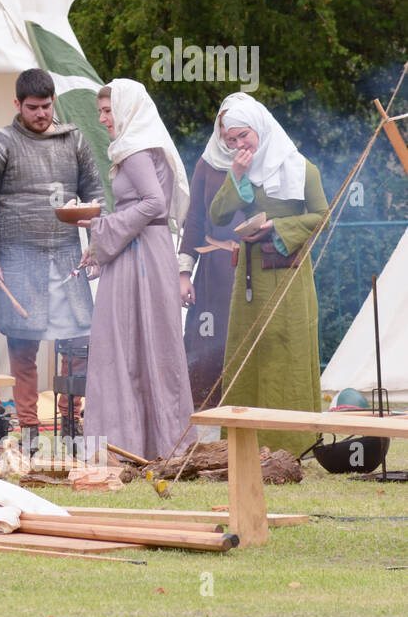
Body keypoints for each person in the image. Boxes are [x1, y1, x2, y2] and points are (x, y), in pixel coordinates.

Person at [0, 68, 105, 452]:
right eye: (33, 108)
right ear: (17, 104)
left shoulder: (74, 140)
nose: (41, 114)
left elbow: (95, 193)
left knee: (79, 344)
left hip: (65, 257)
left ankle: (71, 425)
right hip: (16, 260)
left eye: (46, 106)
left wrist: (95, 244)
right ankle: (28, 431)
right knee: (23, 349)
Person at [78, 79, 193, 460]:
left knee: (124, 344)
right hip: (139, 250)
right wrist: (97, 246)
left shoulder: (137, 150)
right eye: (101, 112)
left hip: (141, 255)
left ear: (127, 109)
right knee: (141, 344)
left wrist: (100, 227)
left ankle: (126, 445)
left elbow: (153, 204)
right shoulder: (139, 147)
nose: (103, 119)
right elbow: (141, 208)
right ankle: (148, 443)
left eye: (108, 111)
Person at [209, 93, 327, 457]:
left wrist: (277, 224)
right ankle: (246, 444)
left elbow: (322, 216)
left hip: (289, 275)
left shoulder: (302, 169)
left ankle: (292, 443)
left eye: (243, 136)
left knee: (285, 350)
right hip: (251, 278)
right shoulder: (241, 173)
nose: (238, 145)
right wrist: (237, 175)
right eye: (230, 141)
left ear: (259, 127)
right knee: (250, 349)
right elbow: (217, 215)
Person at [177, 92, 251, 410]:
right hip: (212, 273)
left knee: (247, 343)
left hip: (251, 268)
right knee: (207, 344)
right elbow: (193, 219)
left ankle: (250, 417)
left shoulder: (263, 160)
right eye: (224, 127)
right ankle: (206, 424)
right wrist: (183, 273)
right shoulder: (207, 164)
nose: (229, 135)